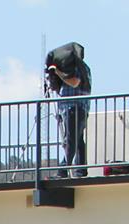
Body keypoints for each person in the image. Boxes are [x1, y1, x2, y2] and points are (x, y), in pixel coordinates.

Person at [48, 44, 91, 176]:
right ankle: (81, 170)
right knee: (78, 140)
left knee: (71, 140)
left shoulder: (77, 67)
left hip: (73, 107)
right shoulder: (84, 68)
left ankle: (62, 170)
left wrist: (58, 73)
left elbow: (75, 82)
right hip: (78, 108)